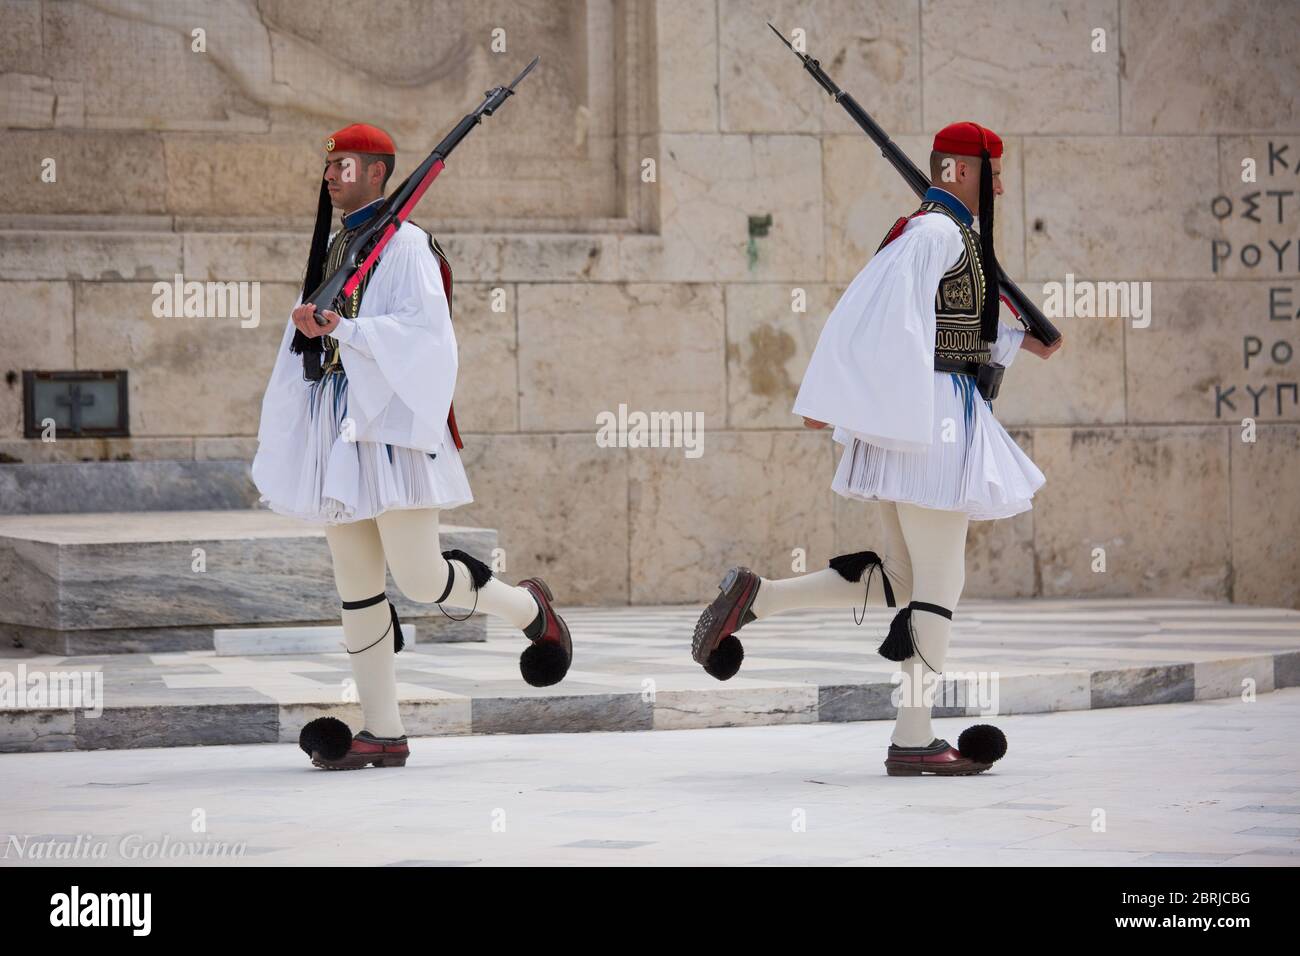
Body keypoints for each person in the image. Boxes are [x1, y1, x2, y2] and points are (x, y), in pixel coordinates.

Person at [690, 122, 1062, 776]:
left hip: (928, 420)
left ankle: (760, 598)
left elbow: (949, 330)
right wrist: (838, 400)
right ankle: (915, 738)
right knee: (942, 581)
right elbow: (882, 316)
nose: (1002, 184)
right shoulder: (936, 233)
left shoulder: (945, 233)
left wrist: (1012, 341)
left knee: (909, 579)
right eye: (993, 172)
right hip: (933, 426)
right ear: (961, 172)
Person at [251, 123, 573, 770]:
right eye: (329, 165)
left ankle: (528, 608)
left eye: (345, 165)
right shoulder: (340, 245)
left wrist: (343, 325)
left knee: (422, 579)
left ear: (378, 172)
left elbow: (428, 338)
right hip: (339, 429)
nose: (332, 174)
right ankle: (383, 731)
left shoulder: (406, 247)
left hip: (391, 426)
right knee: (357, 585)